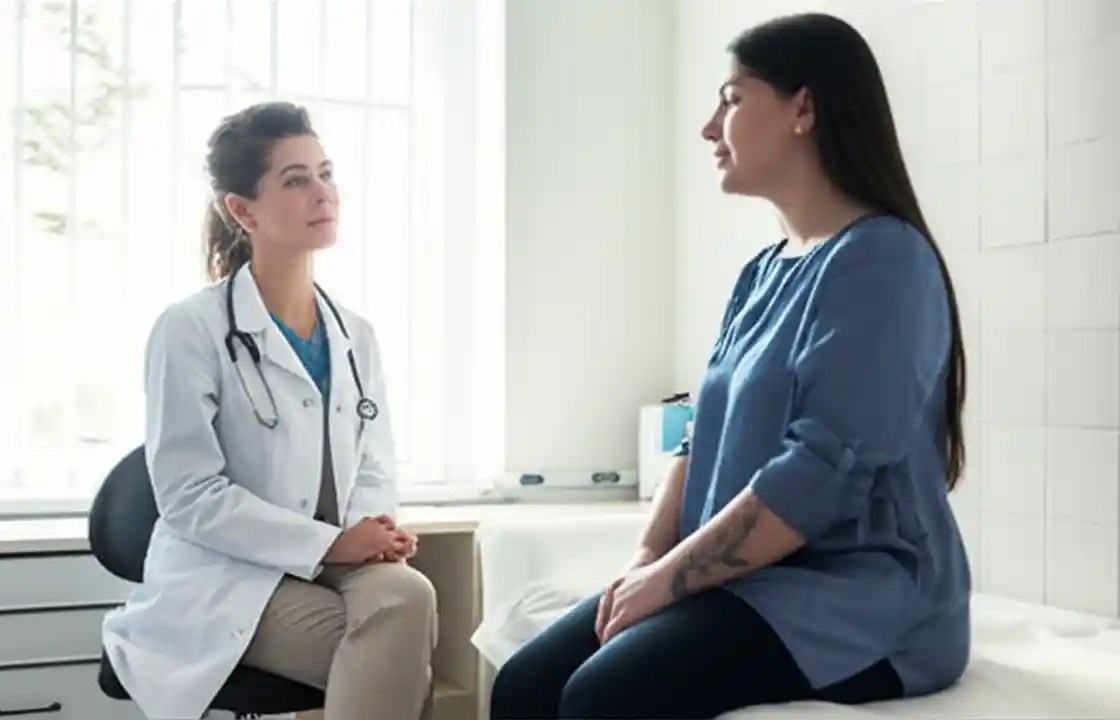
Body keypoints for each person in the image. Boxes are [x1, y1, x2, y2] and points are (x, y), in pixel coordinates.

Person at [490, 12, 971, 720]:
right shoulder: (761, 274)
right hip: (746, 580)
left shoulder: (883, 261)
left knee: (604, 697)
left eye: (732, 98)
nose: (710, 127)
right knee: (524, 686)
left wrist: (668, 585)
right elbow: (698, 440)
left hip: (856, 598)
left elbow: (819, 473)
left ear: (803, 108)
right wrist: (647, 562)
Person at [102, 102, 437, 720]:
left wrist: (370, 535)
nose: (322, 192)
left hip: (333, 560)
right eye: (295, 179)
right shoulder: (191, 330)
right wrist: (332, 543)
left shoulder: (354, 334)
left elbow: (374, 465)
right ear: (242, 210)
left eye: (325, 172)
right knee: (395, 650)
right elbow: (191, 495)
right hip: (227, 577)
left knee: (405, 597)